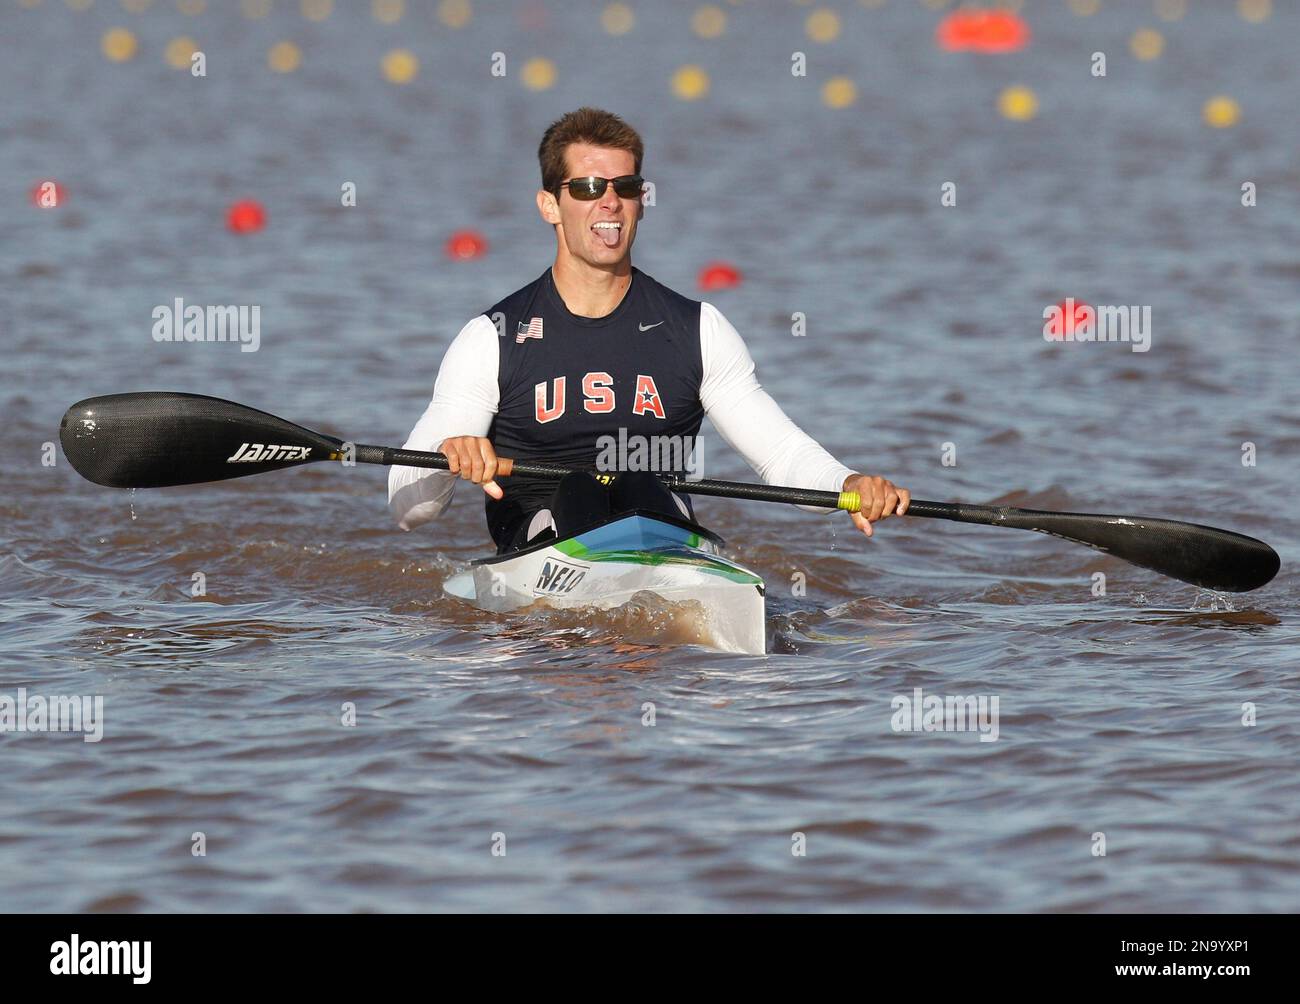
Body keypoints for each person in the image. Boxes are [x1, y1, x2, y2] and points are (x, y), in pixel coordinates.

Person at [389, 107, 909, 552]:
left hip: (660, 530)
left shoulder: (697, 330)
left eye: (627, 186)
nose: (610, 202)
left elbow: (780, 454)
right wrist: (447, 461)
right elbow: (408, 509)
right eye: (589, 187)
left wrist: (847, 483)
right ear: (550, 203)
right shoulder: (492, 339)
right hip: (543, 547)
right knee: (580, 491)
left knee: (639, 485)